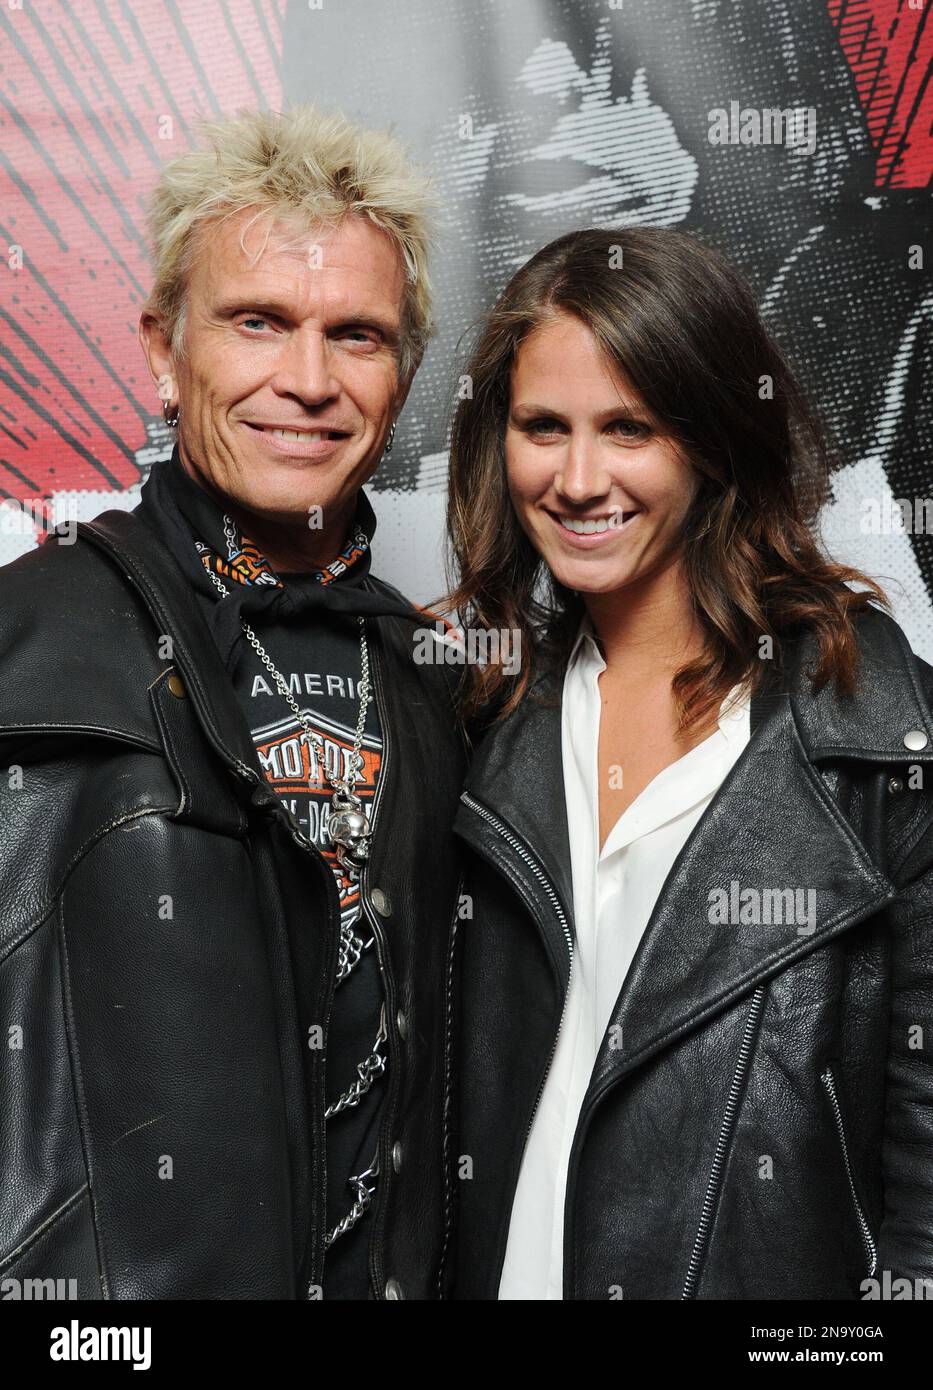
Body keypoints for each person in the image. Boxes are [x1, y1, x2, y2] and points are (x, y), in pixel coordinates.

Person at [0, 104, 465, 1301]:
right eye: (258, 321)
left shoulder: (429, 682)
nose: (306, 382)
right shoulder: (26, 640)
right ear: (163, 350)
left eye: (354, 335)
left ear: (402, 373)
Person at [445, 225, 933, 1299]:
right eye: (542, 426)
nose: (578, 479)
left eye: (630, 428)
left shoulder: (878, 734)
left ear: (711, 438)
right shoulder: (477, 713)